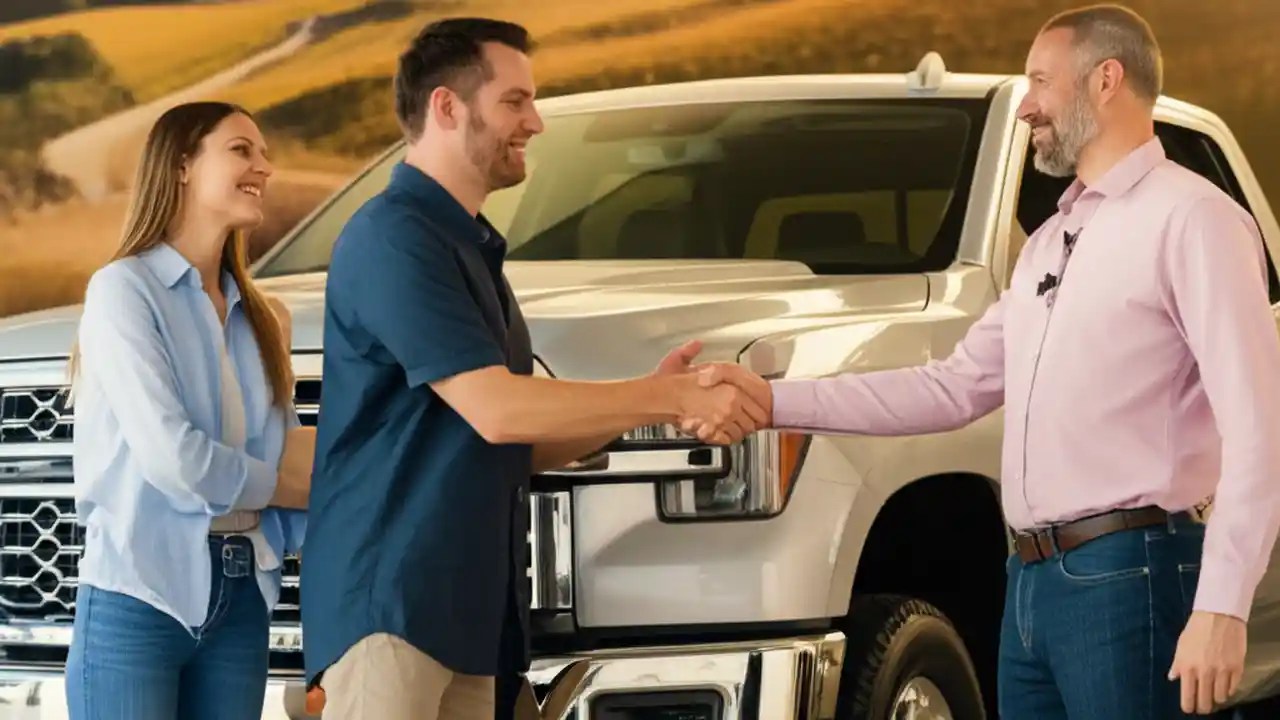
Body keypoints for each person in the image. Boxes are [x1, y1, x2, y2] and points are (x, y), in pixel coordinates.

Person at [691, 4, 1280, 719]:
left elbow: (1261, 427)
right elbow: (954, 387)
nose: (1027, 103)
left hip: (1132, 574)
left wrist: (1222, 604)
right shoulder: (1052, 241)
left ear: (1106, 80)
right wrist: (771, 401)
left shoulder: (1195, 220)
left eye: (1039, 81)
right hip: (1030, 585)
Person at [299, 17, 765, 720]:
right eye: (515, 101)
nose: (536, 122)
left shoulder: (470, 247)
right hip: (390, 612)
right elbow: (501, 409)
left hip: (468, 622)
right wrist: (663, 394)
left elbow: (518, 442)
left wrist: (649, 402)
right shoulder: (395, 237)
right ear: (447, 107)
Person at [64, 101, 313, 720]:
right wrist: (279, 489)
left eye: (264, 152)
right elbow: (173, 459)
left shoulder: (264, 318)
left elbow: (289, 450)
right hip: (136, 592)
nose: (265, 167)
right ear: (180, 166)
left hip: (240, 591)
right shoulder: (123, 291)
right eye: (241, 150)